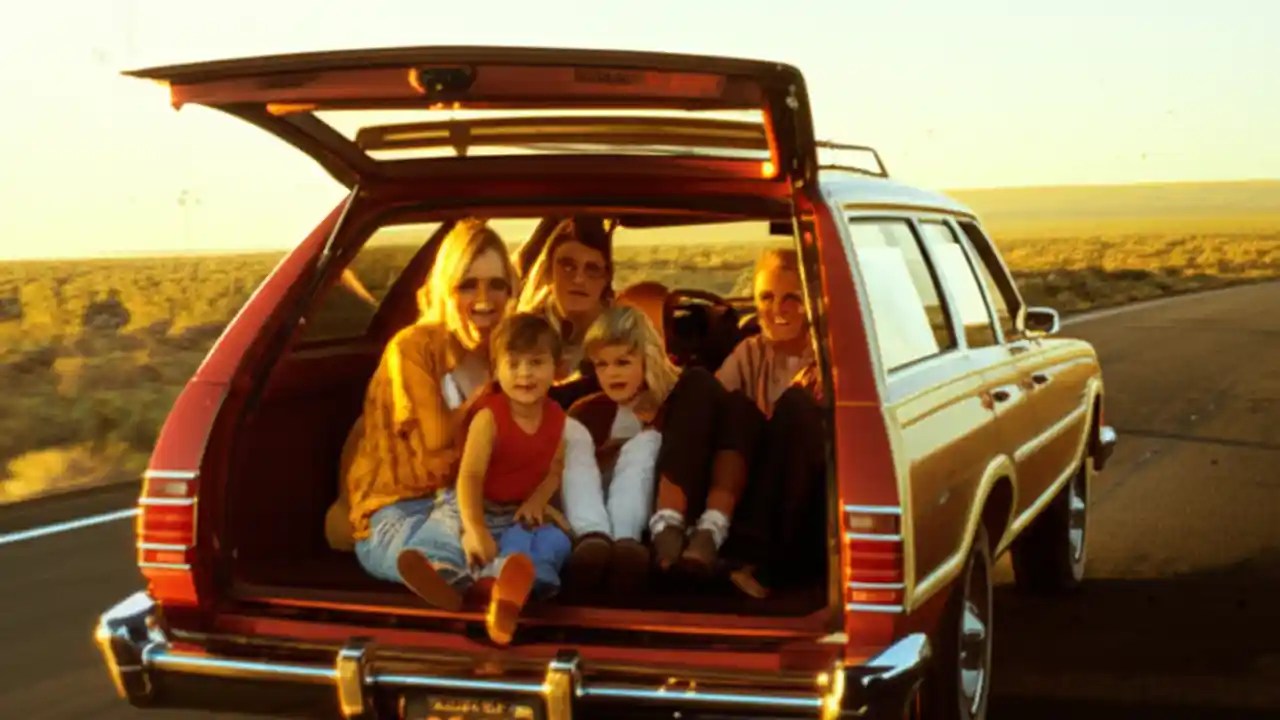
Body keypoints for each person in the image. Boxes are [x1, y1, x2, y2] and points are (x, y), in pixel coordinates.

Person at [325, 219, 518, 563]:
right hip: (403, 509)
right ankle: (452, 573)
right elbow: (438, 445)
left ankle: (494, 586)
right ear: (446, 289)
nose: (485, 300)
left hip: (482, 508)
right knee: (434, 553)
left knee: (538, 543)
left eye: (497, 285)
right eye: (468, 285)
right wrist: (490, 393)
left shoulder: (509, 352)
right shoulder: (412, 348)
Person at [391, 313, 583, 646]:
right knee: (449, 535)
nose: (524, 373)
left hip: (515, 512)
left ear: (558, 370)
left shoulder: (556, 417)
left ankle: (513, 586)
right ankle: (443, 576)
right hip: (473, 503)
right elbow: (470, 475)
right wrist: (475, 527)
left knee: (556, 541)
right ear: (496, 370)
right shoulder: (489, 417)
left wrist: (538, 501)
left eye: (536, 363)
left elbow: (554, 470)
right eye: (514, 364)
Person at [715, 248, 827, 598]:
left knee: (795, 407)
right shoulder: (750, 352)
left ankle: (755, 561)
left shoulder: (830, 354)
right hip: (750, 481)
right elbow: (715, 400)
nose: (777, 309)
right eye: (767, 297)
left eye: (791, 298)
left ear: (812, 301)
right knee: (730, 407)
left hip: (810, 499)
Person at [558, 304, 673, 594]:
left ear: (647, 360)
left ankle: (625, 544)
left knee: (646, 443)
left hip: (638, 509)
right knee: (570, 433)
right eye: (602, 365)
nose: (612, 374)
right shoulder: (586, 411)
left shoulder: (669, 406)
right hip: (587, 507)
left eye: (623, 363)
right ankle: (592, 539)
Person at [517, 216, 613, 407]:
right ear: (548, 273)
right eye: (567, 266)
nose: (579, 279)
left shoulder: (623, 333)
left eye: (592, 269)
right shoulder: (524, 332)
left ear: (605, 279)